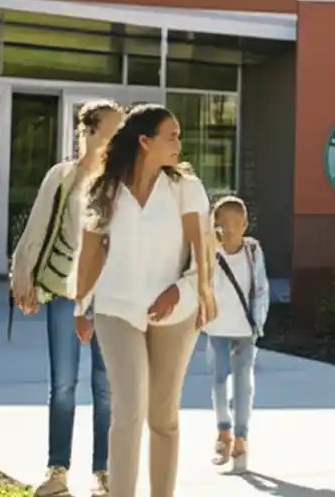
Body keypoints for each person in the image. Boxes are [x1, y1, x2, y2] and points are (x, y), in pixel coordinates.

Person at [72, 103, 219, 497]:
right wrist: (81, 305)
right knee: (129, 410)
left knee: (162, 417)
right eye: (170, 136)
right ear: (144, 141)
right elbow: (90, 253)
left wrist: (183, 292)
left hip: (176, 311)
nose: (179, 143)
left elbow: (203, 253)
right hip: (115, 307)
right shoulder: (104, 189)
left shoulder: (186, 188)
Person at [10, 99, 121, 497]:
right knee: (63, 385)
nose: (119, 135)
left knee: (106, 386)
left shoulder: (119, 181)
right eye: (113, 127)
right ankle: (58, 471)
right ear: (90, 130)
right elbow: (37, 226)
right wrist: (22, 275)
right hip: (62, 291)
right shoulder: (63, 176)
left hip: (107, 296)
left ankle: (104, 472)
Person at [205, 195, 270, 473]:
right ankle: (223, 432)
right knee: (219, 380)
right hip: (217, 327)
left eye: (236, 223)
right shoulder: (209, 251)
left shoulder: (252, 251)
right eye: (223, 223)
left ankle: (242, 437)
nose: (230, 228)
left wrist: (258, 325)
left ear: (245, 225)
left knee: (243, 382)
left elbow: (261, 288)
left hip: (244, 329)